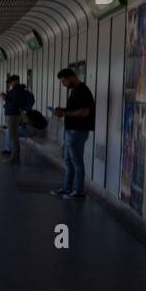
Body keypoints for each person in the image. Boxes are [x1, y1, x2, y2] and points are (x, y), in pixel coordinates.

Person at [51, 68, 95, 199]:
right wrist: (61, 110)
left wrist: (64, 113)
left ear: (71, 77)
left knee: (77, 162)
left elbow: (84, 112)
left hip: (78, 131)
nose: (63, 84)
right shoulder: (75, 91)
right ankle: (67, 188)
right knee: (69, 161)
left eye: (63, 81)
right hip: (71, 130)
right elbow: (74, 110)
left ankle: (79, 191)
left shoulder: (82, 91)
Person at [0, 75, 32, 165]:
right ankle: (15, 157)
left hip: (13, 115)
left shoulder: (17, 91)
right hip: (13, 115)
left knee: (14, 137)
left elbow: (14, 103)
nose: (10, 84)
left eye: (10, 82)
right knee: (13, 137)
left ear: (15, 81)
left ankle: (15, 158)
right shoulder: (17, 90)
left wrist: (6, 98)